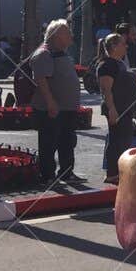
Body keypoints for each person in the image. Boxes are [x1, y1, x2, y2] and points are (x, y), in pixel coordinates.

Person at [29, 19, 83, 187]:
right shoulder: (44, 53)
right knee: (49, 142)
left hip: (67, 108)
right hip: (51, 109)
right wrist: (51, 102)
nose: (71, 37)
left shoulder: (61, 52)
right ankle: (47, 175)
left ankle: (66, 172)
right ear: (57, 36)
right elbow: (41, 80)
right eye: (67, 33)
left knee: (67, 141)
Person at [97, 32, 136, 183]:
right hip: (117, 109)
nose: (126, 46)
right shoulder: (107, 65)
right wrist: (112, 109)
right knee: (116, 141)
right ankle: (112, 173)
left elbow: (123, 83)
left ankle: (119, 171)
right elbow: (106, 89)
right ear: (113, 46)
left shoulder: (119, 63)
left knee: (124, 140)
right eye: (122, 44)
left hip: (125, 108)